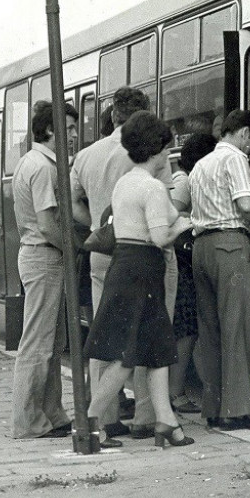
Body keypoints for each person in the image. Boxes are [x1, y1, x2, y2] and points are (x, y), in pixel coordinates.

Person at [83, 111, 195, 449]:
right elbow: (161, 237)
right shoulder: (153, 188)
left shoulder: (125, 183)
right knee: (125, 356)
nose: (168, 156)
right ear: (156, 150)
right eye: (165, 149)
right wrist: (186, 225)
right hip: (144, 270)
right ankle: (89, 421)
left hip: (124, 267)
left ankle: (167, 423)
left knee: (158, 350)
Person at [70, 87, 159, 440]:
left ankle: (106, 418)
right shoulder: (146, 152)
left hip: (101, 253)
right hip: (139, 252)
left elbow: (72, 203)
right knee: (145, 332)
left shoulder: (87, 156)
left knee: (103, 333)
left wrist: (96, 222)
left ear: (112, 117)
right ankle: (145, 417)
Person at [189, 110, 250, 430]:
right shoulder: (233, 158)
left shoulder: (200, 165)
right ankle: (235, 410)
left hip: (202, 248)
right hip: (230, 246)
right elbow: (247, 205)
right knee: (236, 328)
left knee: (210, 331)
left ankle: (213, 405)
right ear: (244, 133)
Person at [9, 100, 79, 439]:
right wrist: (74, 249)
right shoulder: (44, 167)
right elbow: (48, 223)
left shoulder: (30, 161)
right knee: (38, 344)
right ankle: (27, 421)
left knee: (50, 340)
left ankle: (52, 413)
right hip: (45, 256)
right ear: (50, 130)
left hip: (38, 256)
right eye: (70, 128)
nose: (75, 135)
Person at [167, 132, 217, 414]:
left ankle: (175, 390)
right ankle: (176, 393)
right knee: (186, 329)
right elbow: (172, 213)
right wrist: (194, 221)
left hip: (183, 262)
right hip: (181, 261)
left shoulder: (183, 178)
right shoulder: (184, 180)